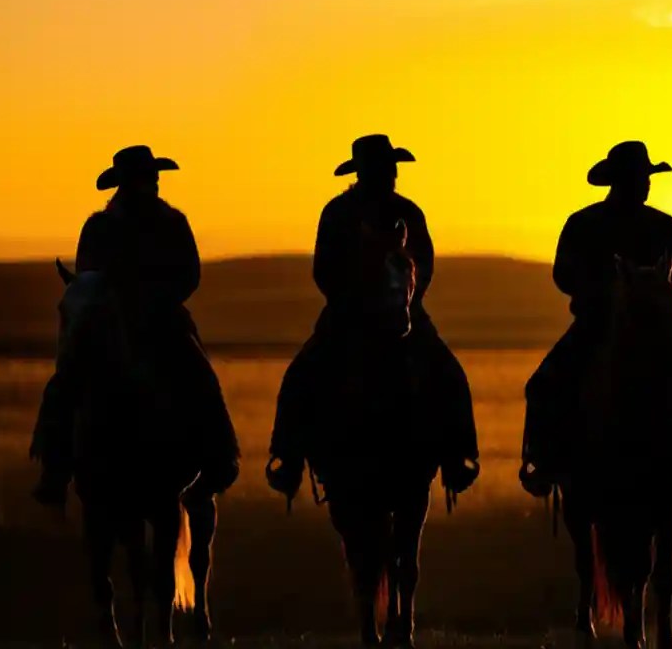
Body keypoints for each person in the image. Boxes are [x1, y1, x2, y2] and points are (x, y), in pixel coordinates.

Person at [270, 134, 479, 497]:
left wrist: (408, 299)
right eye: (385, 168)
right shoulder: (337, 214)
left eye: (392, 168)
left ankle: (458, 456)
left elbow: (424, 265)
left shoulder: (409, 213)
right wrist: (351, 299)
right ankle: (286, 456)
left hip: (404, 310)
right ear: (366, 171)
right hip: (346, 315)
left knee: (448, 371)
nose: (390, 175)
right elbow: (324, 269)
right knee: (302, 373)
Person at [521, 140, 672, 502]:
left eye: (647, 177)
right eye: (641, 177)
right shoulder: (584, 224)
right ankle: (543, 460)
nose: (647, 184)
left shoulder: (662, 224)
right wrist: (601, 290)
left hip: (657, 328)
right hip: (596, 323)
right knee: (545, 381)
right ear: (621, 181)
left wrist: (663, 301)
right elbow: (563, 274)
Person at [30, 145, 239, 505]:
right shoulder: (99, 227)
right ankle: (55, 466)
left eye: (153, 179)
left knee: (198, 371)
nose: (151, 186)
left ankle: (220, 460)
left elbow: (190, 274)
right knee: (66, 380)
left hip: (163, 317)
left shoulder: (173, 223)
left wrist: (158, 297)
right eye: (145, 180)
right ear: (126, 184)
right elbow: (87, 276)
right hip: (108, 318)